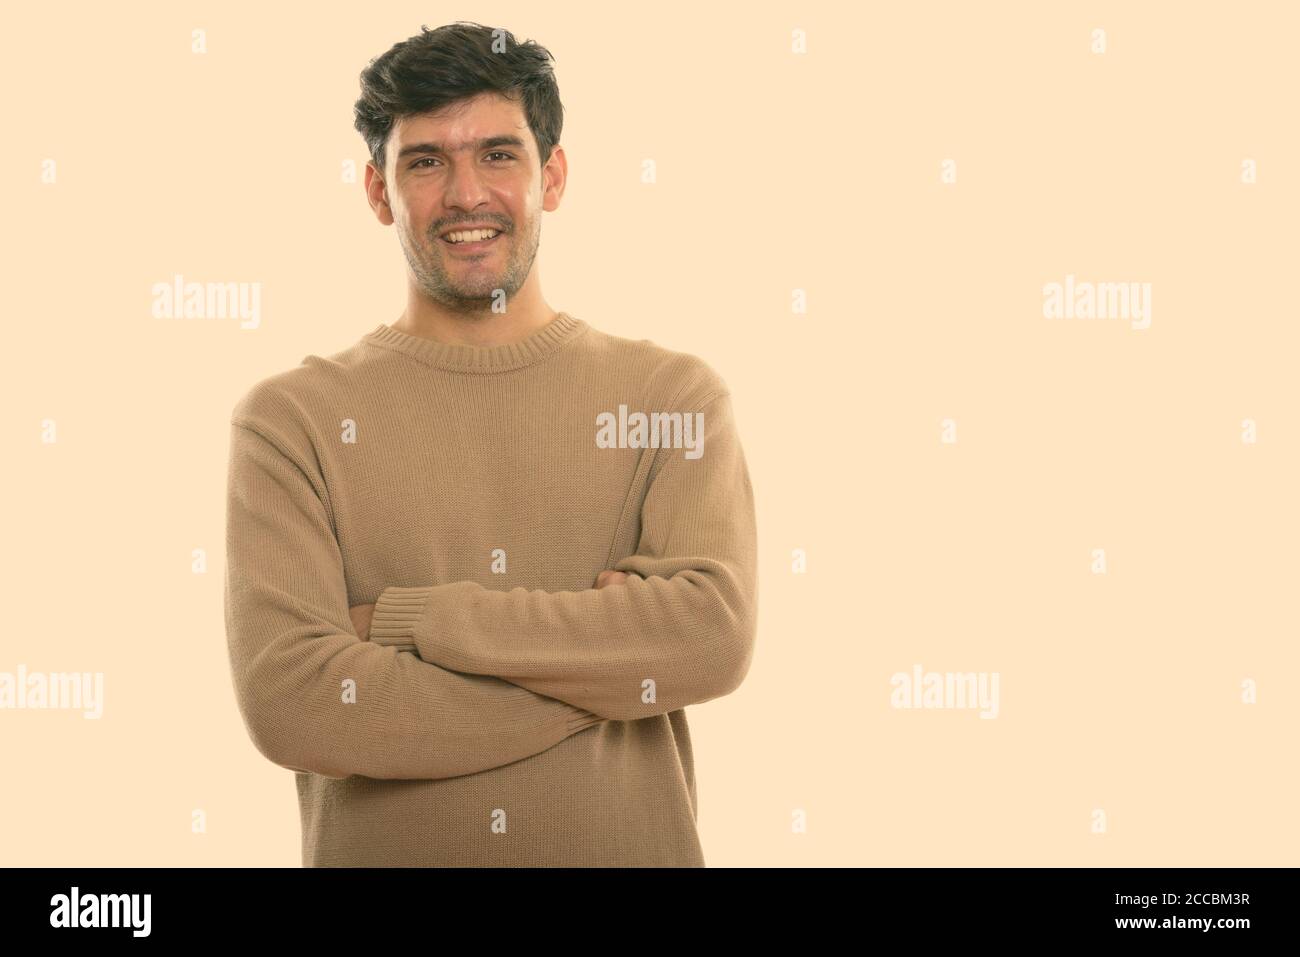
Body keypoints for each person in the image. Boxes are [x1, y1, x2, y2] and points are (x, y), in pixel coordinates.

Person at [223, 21, 757, 866]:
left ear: (553, 175)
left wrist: (414, 620)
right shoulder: (292, 422)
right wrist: (608, 672)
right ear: (376, 191)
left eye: (499, 155)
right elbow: (295, 704)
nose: (466, 193)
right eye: (427, 161)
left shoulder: (672, 399)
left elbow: (711, 638)